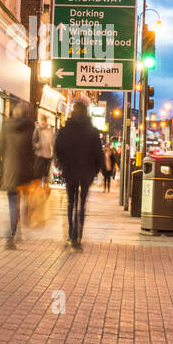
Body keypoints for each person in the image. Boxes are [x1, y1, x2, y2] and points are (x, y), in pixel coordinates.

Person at [54, 100, 105, 249]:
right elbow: (98, 154)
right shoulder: (93, 131)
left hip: (69, 171)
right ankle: (79, 235)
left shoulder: (65, 130)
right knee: (82, 204)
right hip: (86, 173)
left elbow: (58, 149)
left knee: (71, 203)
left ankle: (71, 234)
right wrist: (95, 171)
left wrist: (63, 165)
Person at [0, 101, 36, 248]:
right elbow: (32, 151)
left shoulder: (6, 127)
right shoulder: (30, 127)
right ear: (26, 114)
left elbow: (0, 148)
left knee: (13, 203)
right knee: (18, 204)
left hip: (9, 171)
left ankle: (14, 232)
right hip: (25, 172)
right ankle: (11, 235)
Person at [33, 114, 56, 181]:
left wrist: (53, 155)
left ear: (46, 122)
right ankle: (39, 188)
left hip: (48, 156)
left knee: (46, 175)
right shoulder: (37, 130)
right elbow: (33, 141)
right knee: (38, 174)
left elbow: (53, 143)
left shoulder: (50, 131)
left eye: (44, 121)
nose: (43, 123)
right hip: (39, 155)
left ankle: (45, 188)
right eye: (41, 121)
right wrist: (36, 145)